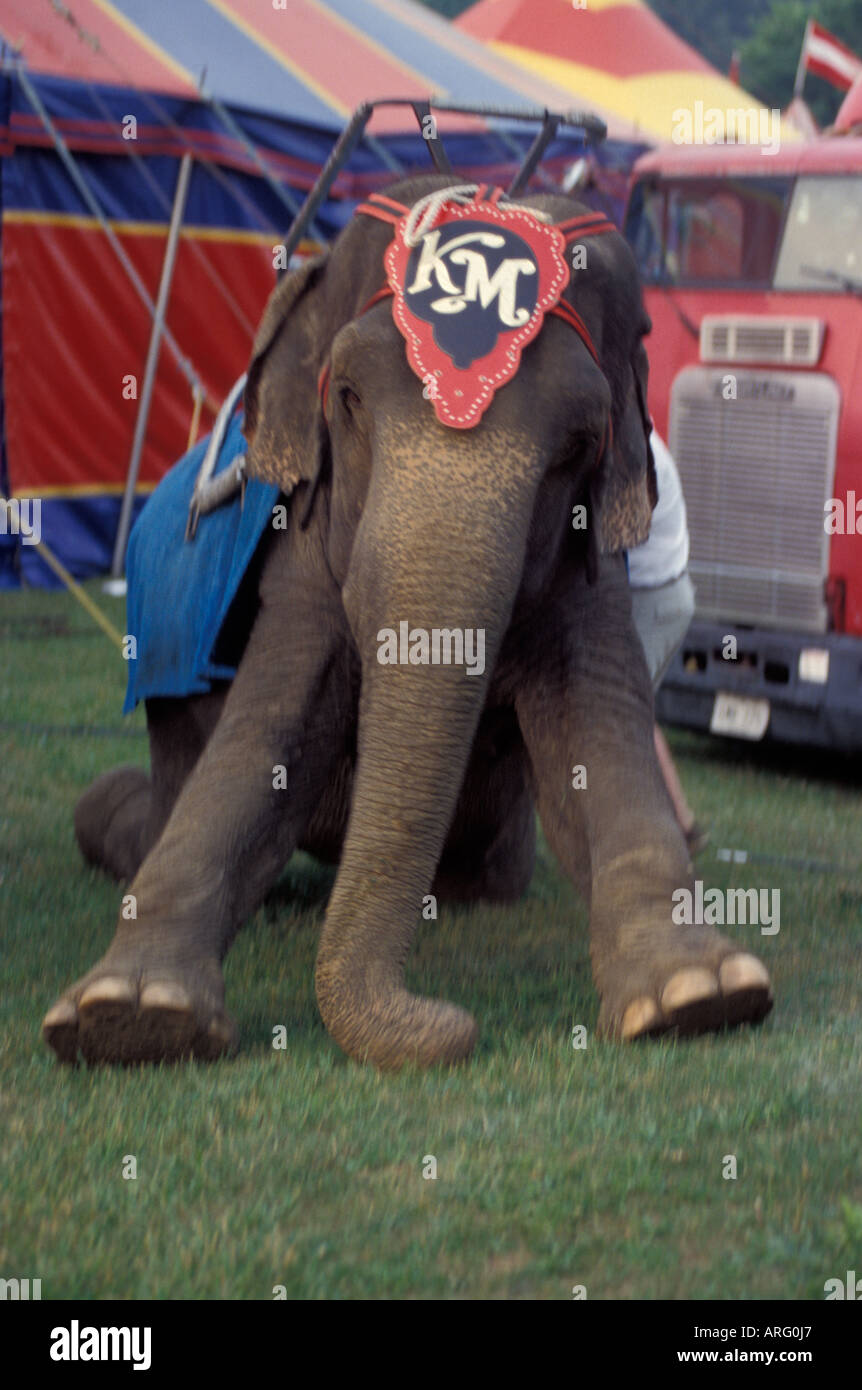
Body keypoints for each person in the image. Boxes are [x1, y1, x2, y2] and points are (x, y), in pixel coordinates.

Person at [628, 430, 707, 854]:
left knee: (628, 713)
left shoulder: (635, 449)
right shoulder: (644, 437)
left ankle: (678, 826)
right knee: (635, 712)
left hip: (652, 599)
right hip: (666, 595)